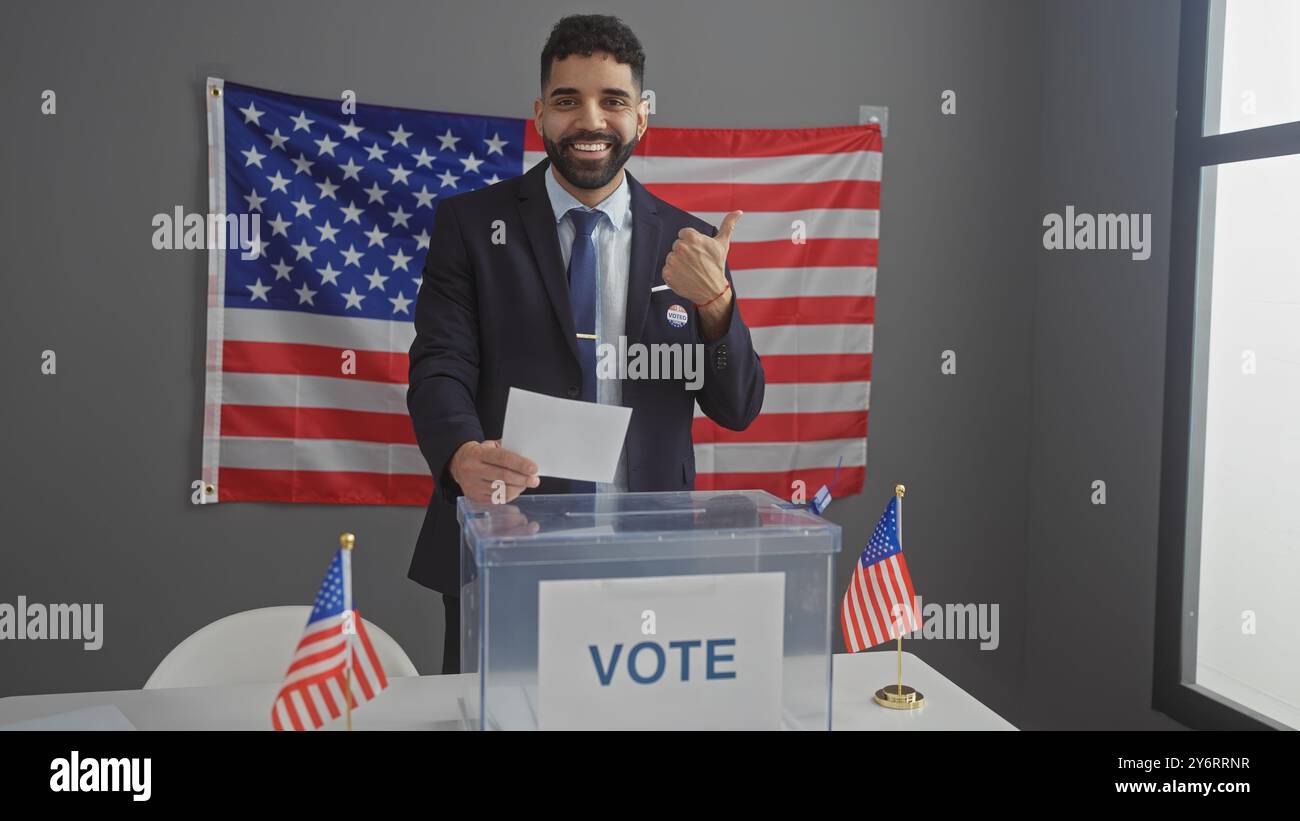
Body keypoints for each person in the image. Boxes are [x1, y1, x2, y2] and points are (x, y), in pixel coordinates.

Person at [407, 14, 765, 673]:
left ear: (642, 117)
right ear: (541, 112)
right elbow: (440, 364)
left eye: (613, 101)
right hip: (505, 543)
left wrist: (717, 306)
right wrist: (460, 450)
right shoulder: (469, 223)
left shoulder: (691, 244)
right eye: (569, 100)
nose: (590, 121)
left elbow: (737, 404)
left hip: (648, 559)